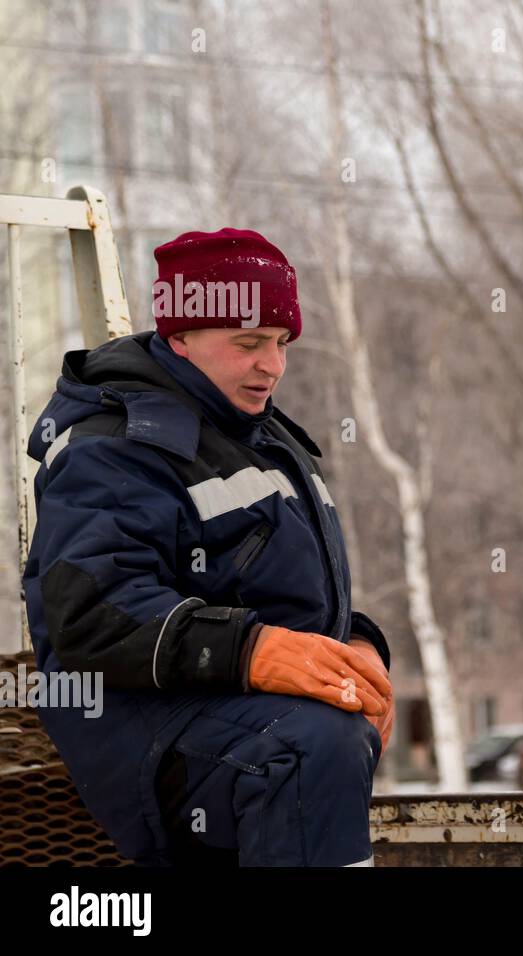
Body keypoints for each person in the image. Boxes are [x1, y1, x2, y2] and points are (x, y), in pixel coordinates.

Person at [23, 228, 394, 866]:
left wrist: (355, 648)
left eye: (281, 344)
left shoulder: (263, 437)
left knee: (323, 735)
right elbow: (94, 611)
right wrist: (255, 650)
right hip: (145, 729)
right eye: (248, 342)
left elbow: (276, 590)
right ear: (180, 337)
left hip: (239, 717)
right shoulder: (114, 446)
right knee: (310, 746)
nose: (271, 365)